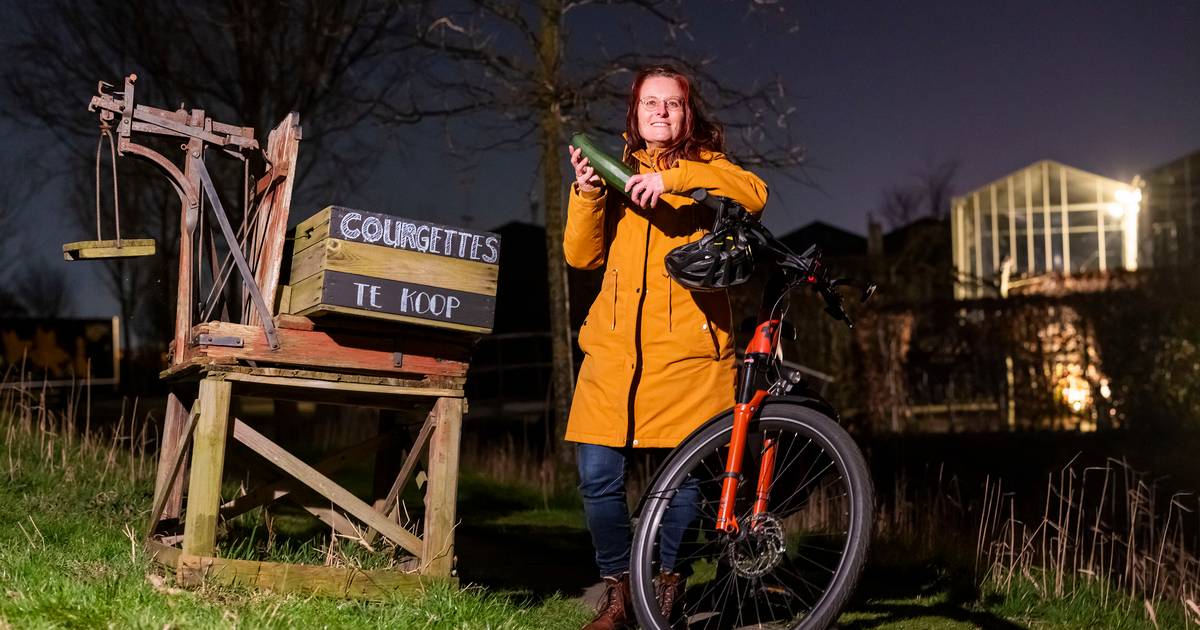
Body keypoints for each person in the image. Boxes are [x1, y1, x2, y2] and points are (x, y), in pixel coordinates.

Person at [564, 64, 768, 630]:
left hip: (691, 360)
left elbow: (755, 195)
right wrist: (585, 194)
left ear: (687, 114)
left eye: (671, 104)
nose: (660, 111)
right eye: (649, 103)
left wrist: (675, 181)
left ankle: (666, 587)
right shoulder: (615, 175)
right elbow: (582, 257)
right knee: (596, 474)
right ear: (634, 115)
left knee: (684, 486)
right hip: (613, 356)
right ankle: (620, 592)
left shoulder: (710, 172)